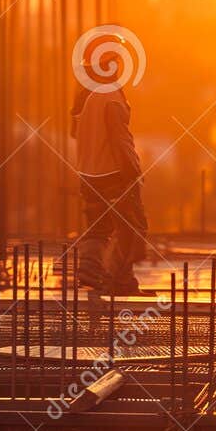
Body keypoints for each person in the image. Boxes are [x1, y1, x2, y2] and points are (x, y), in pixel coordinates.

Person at [71, 32, 150, 296]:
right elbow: (120, 137)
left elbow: (75, 133)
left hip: (88, 173)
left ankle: (91, 270)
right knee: (131, 227)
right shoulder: (110, 95)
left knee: (99, 227)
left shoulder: (84, 95)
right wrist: (132, 171)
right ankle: (119, 281)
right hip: (114, 173)